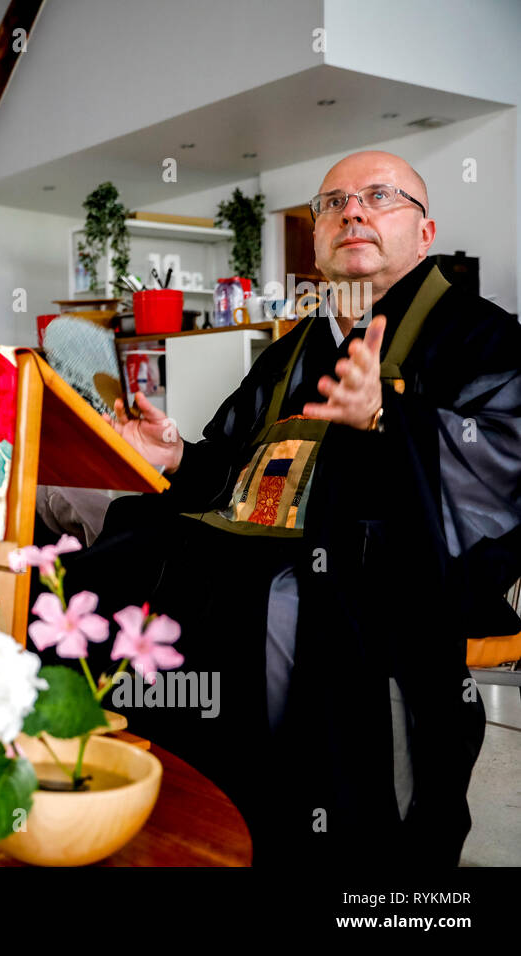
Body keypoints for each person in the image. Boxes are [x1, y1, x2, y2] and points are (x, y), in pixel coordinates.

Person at [42, 151, 521, 865]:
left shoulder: (483, 335)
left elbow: (502, 465)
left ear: (425, 235)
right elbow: (235, 472)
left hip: (387, 573)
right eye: (332, 203)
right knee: (115, 560)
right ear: (319, 237)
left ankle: (290, 838)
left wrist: (392, 417)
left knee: (277, 598)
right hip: (254, 549)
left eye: (379, 196)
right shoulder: (291, 351)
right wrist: (175, 457)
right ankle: (154, 808)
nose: (352, 211)